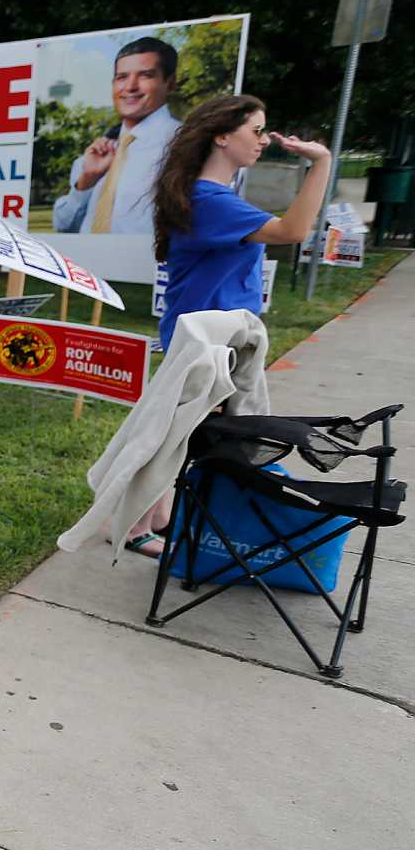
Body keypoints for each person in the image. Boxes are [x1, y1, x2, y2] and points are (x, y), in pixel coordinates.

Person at [118, 92, 330, 555]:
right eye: (255, 130)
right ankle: (136, 528)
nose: (263, 141)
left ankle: (153, 520)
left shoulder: (210, 195)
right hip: (206, 342)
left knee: (185, 434)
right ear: (221, 136)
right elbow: (293, 232)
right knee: (176, 436)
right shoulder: (208, 199)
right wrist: (322, 164)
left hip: (216, 338)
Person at [51, 36, 182, 238]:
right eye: (122, 77)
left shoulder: (185, 144)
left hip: (148, 268)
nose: (130, 87)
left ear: (170, 82)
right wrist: (86, 181)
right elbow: (64, 226)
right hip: (87, 268)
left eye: (145, 75)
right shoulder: (97, 153)